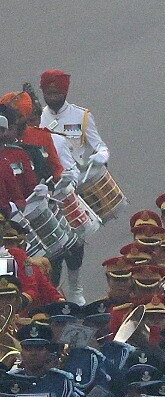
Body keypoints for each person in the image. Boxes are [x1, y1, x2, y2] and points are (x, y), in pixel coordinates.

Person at [37, 70, 108, 307]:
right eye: (48, 92)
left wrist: (98, 158)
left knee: (77, 239)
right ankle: (53, 290)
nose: (52, 96)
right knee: (53, 243)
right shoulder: (38, 118)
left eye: (57, 92)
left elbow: (101, 147)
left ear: (65, 92)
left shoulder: (81, 116)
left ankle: (76, 287)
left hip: (74, 183)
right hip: (46, 188)